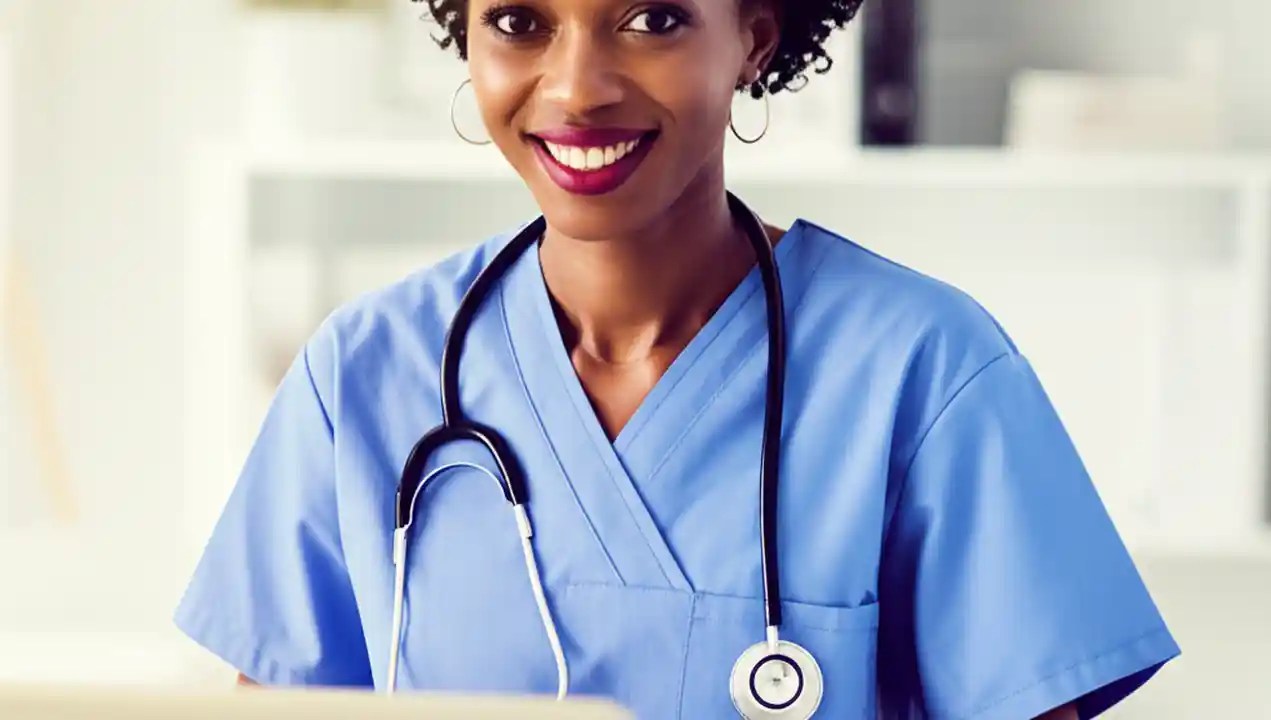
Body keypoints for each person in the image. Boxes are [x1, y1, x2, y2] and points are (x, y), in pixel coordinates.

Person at [174, 1, 1179, 718]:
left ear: (753, 34)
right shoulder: (363, 374)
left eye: (651, 19)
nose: (576, 88)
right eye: (520, 22)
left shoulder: (923, 371)